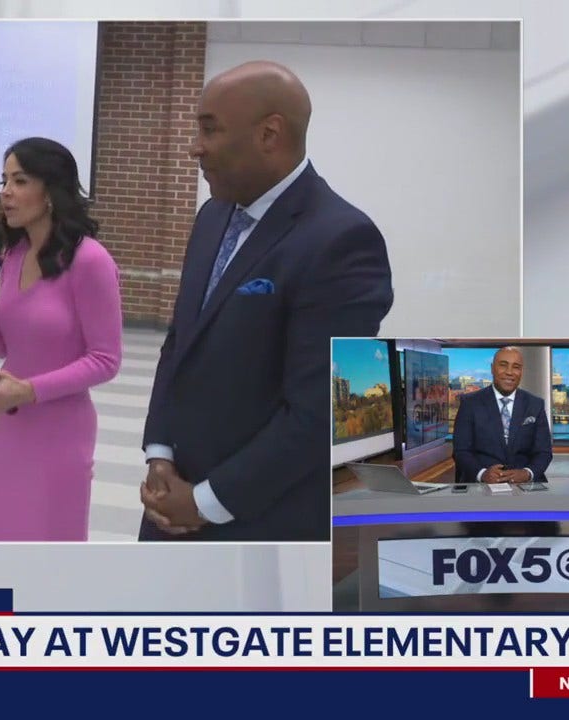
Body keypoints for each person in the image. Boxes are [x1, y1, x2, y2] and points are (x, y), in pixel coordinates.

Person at [138, 61, 394, 542]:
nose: (195, 145)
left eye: (209, 129)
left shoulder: (340, 241)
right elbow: (179, 346)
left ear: (269, 134)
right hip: (169, 506)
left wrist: (206, 502)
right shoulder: (212, 217)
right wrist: (160, 455)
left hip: (258, 522)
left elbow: (318, 412)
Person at [0, 137, 123, 541]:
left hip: (59, 431)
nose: (6, 192)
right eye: (4, 180)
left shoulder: (90, 260)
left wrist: (29, 390)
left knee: (52, 554)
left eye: (20, 180)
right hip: (7, 428)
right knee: (7, 542)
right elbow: (11, 348)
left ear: (51, 191)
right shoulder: (13, 254)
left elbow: (105, 359)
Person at [452, 347, 552, 483]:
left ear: (521, 372)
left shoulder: (535, 404)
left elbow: (544, 452)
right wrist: (482, 474)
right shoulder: (470, 403)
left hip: (525, 486)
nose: (509, 372)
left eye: (516, 367)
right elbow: (461, 451)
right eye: (503, 365)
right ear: (492, 368)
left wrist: (527, 473)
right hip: (481, 487)